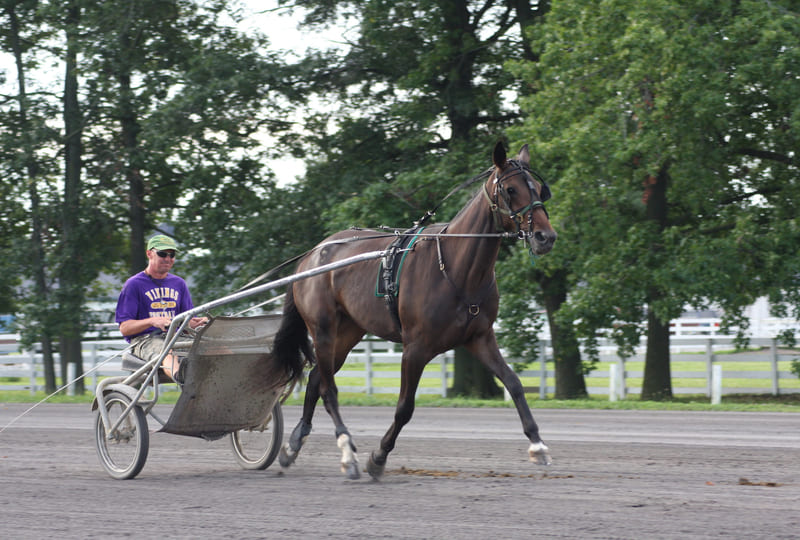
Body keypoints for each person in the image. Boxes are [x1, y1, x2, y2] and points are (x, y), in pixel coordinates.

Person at [115, 234, 208, 383]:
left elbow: (185, 324)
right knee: (167, 350)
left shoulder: (179, 284)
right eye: (163, 254)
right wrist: (152, 321)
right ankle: (185, 382)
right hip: (146, 340)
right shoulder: (133, 284)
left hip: (176, 337)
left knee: (214, 347)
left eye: (172, 255)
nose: (168, 258)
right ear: (149, 253)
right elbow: (125, 328)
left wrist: (197, 323)